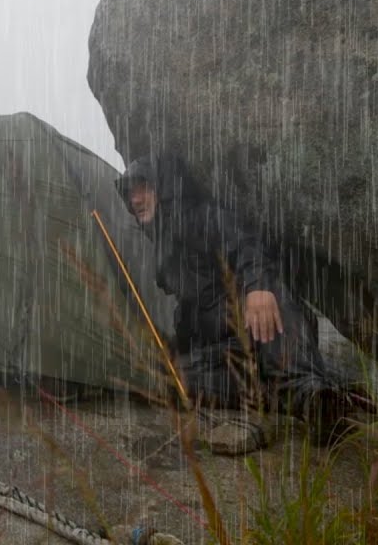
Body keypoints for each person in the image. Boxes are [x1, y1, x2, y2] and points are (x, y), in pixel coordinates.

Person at [115, 152, 353, 454]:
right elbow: (188, 305)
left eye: (142, 187)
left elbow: (244, 243)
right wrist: (175, 345)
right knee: (177, 380)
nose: (135, 198)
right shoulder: (162, 245)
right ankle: (303, 399)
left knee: (272, 303)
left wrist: (258, 287)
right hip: (226, 345)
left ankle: (310, 391)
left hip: (263, 329)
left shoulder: (201, 216)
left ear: (162, 187)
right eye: (129, 192)